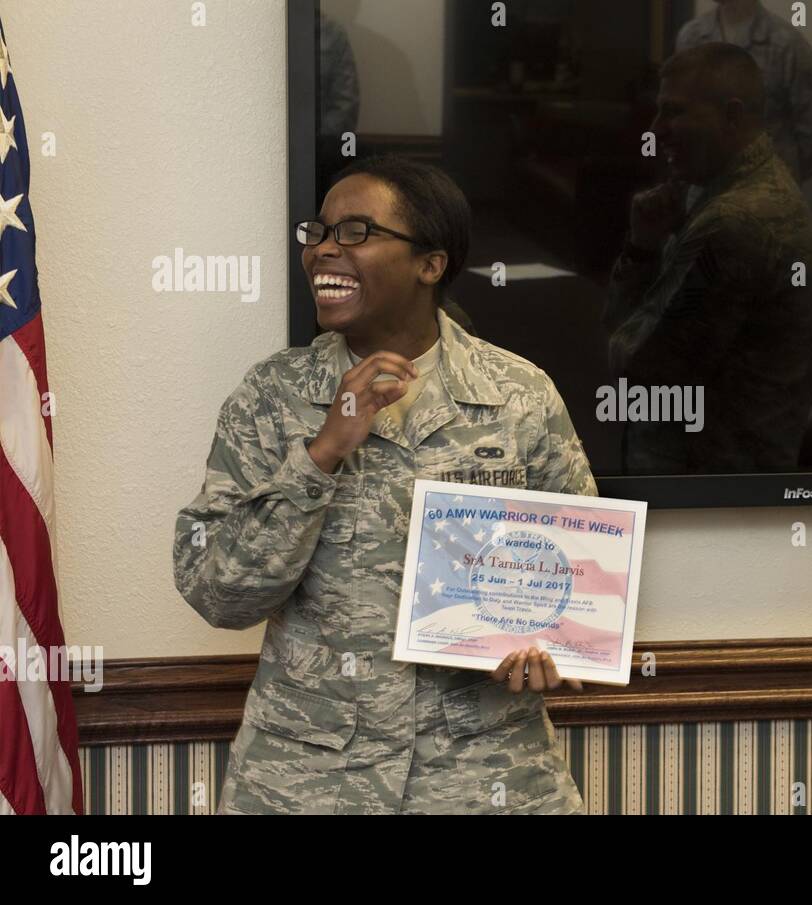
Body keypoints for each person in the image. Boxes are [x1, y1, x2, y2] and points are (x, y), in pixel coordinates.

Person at [173, 155, 596, 814]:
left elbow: (580, 584)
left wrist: (552, 650)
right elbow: (217, 592)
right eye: (319, 232)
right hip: (310, 779)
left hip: (482, 775)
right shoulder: (271, 396)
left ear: (431, 264)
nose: (323, 250)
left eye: (356, 232)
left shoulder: (520, 394)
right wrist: (321, 454)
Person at [605, 42, 812, 473]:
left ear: (731, 116)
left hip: (707, 479)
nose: (657, 129)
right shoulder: (741, 186)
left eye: (674, 112)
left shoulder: (734, 220)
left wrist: (640, 252)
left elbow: (636, 364)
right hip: (721, 466)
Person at [676, 0, 812, 183]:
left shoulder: (787, 44)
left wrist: (785, 175)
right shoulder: (691, 37)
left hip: (769, 186)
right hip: (706, 185)